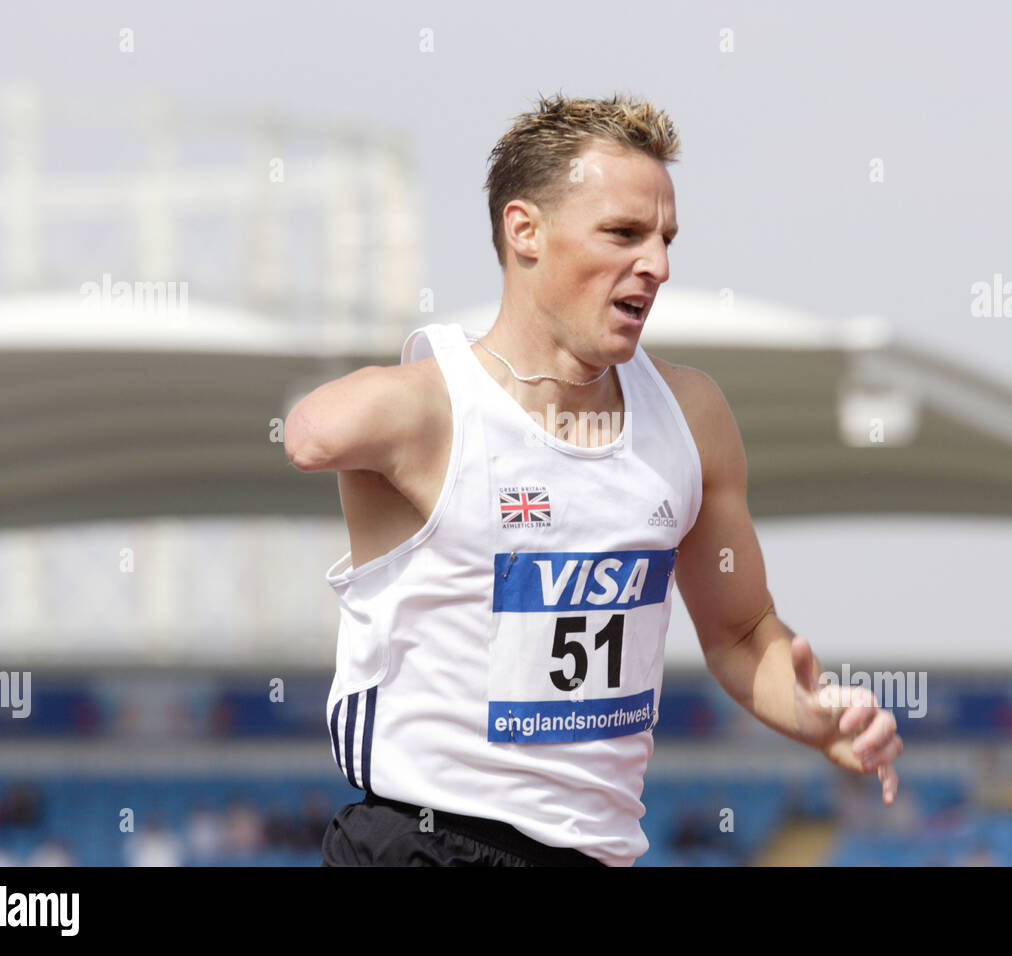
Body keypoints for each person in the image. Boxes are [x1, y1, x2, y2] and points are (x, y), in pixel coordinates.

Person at [286, 92, 901, 867]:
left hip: (595, 855)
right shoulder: (437, 409)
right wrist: (389, 406)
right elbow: (313, 433)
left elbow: (742, 633)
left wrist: (814, 715)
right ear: (525, 231)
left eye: (665, 238)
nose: (658, 265)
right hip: (428, 844)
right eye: (623, 233)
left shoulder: (690, 417)